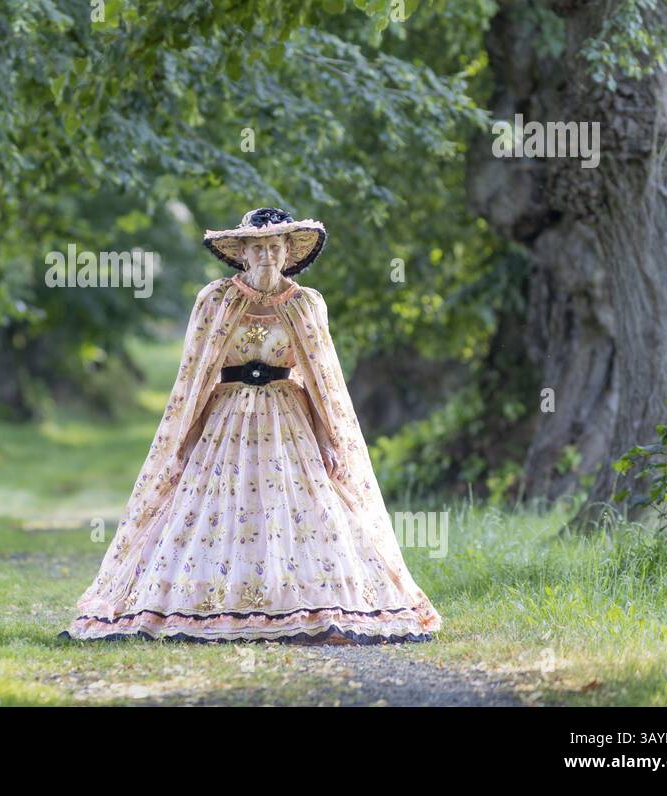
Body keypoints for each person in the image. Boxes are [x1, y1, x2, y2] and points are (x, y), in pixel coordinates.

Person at [59, 207, 442, 644]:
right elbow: (196, 375)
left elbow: (319, 380)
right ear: (242, 253)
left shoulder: (305, 304)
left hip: (288, 422)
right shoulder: (216, 300)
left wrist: (326, 438)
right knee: (218, 508)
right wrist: (185, 437)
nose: (266, 255)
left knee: (291, 508)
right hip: (224, 421)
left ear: (287, 253)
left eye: (274, 247)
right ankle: (209, 599)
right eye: (257, 248)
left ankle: (296, 599)